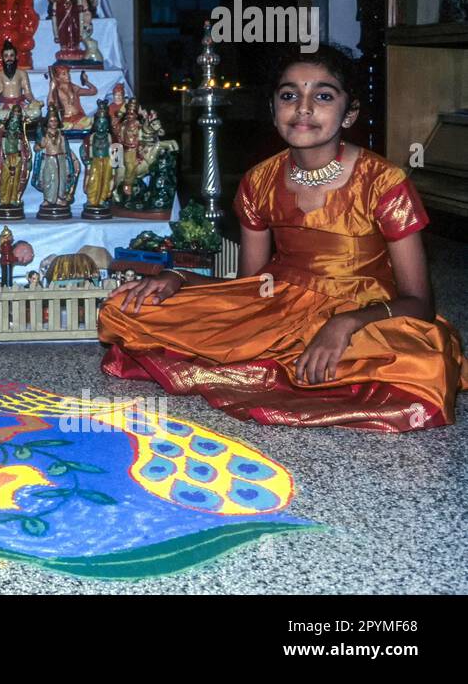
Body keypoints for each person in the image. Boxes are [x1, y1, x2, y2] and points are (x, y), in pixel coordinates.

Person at [98, 46, 466, 432]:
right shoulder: (259, 181)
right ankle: (293, 361)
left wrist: (345, 324)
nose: (303, 108)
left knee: (425, 362)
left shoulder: (384, 183)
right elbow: (249, 286)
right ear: (273, 109)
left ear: (350, 112)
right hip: (277, 304)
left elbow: (420, 303)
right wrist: (179, 279)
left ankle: (308, 360)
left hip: (366, 314)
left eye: (323, 96)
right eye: (289, 95)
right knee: (124, 308)